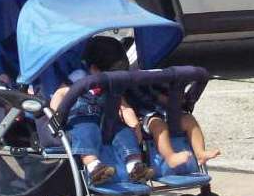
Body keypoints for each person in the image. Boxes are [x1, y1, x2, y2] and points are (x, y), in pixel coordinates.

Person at [50, 35, 154, 184]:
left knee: (125, 132)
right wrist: (56, 115)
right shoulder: (79, 77)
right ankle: (94, 167)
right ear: (93, 69)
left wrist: (134, 125)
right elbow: (60, 94)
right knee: (86, 131)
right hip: (82, 117)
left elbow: (123, 105)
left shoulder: (113, 83)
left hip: (108, 119)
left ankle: (135, 166)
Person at [124, 84, 220, 169]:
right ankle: (170, 157)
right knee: (159, 125)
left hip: (167, 112)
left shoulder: (159, 78)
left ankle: (200, 153)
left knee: (189, 120)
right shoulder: (132, 83)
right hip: (145, 116)